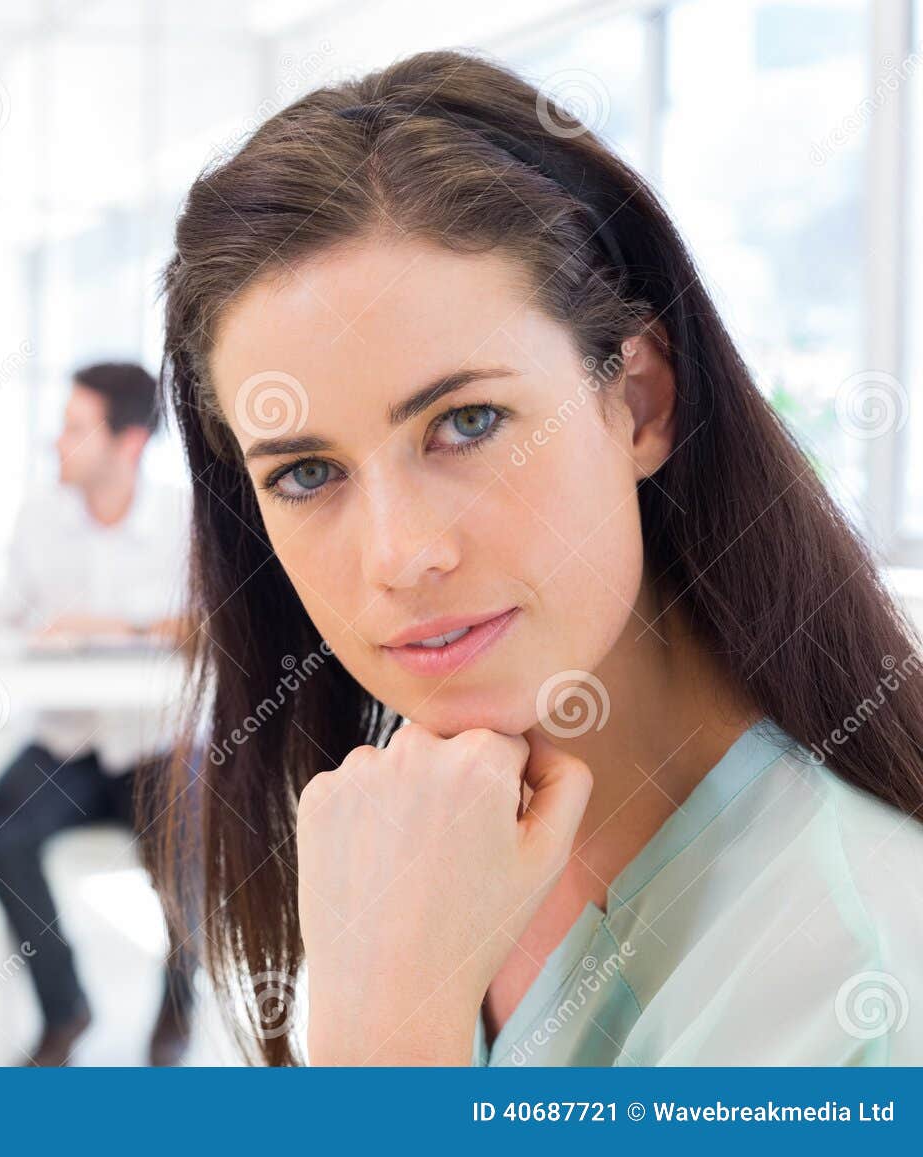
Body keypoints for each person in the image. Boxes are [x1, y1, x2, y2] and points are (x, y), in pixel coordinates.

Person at [146, 49, 923, 1067]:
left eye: (465, 421)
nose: (400, 554)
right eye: (304, 473)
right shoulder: (393, 820)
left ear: (638, 400)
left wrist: (387, 1048)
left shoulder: (864, 985)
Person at [0, 361, 198, 1067]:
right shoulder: (40, 515)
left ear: (128, 443)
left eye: (74, 429)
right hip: (67, 741)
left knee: (200, 840)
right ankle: (66, 1006)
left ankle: (178, 1006)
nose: (56, 443)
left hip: (157, 742)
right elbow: (16, 614)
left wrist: (113, 624)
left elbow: (211, 626)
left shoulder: (183, 518)